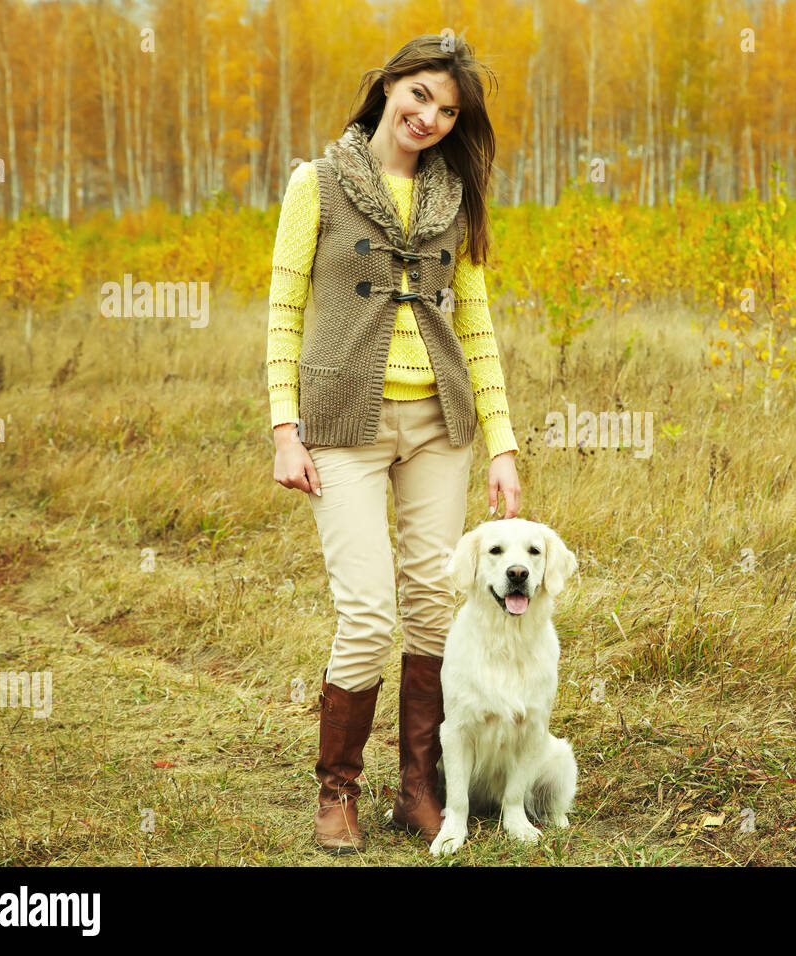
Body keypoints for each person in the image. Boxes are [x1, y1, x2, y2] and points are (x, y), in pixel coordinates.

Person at [265, 35, 521, 854]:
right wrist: (283, 427)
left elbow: (475, 322)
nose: (430, 117)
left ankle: (422, 786)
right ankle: (336, 790)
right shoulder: (319, 183)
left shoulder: (457, 197)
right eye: (419, 95)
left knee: (434, 610)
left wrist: (505, 443)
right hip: (343, 425)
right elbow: (283, 309)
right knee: (369, 611)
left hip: (440, 427)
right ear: (387, 86)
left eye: (447, 110)